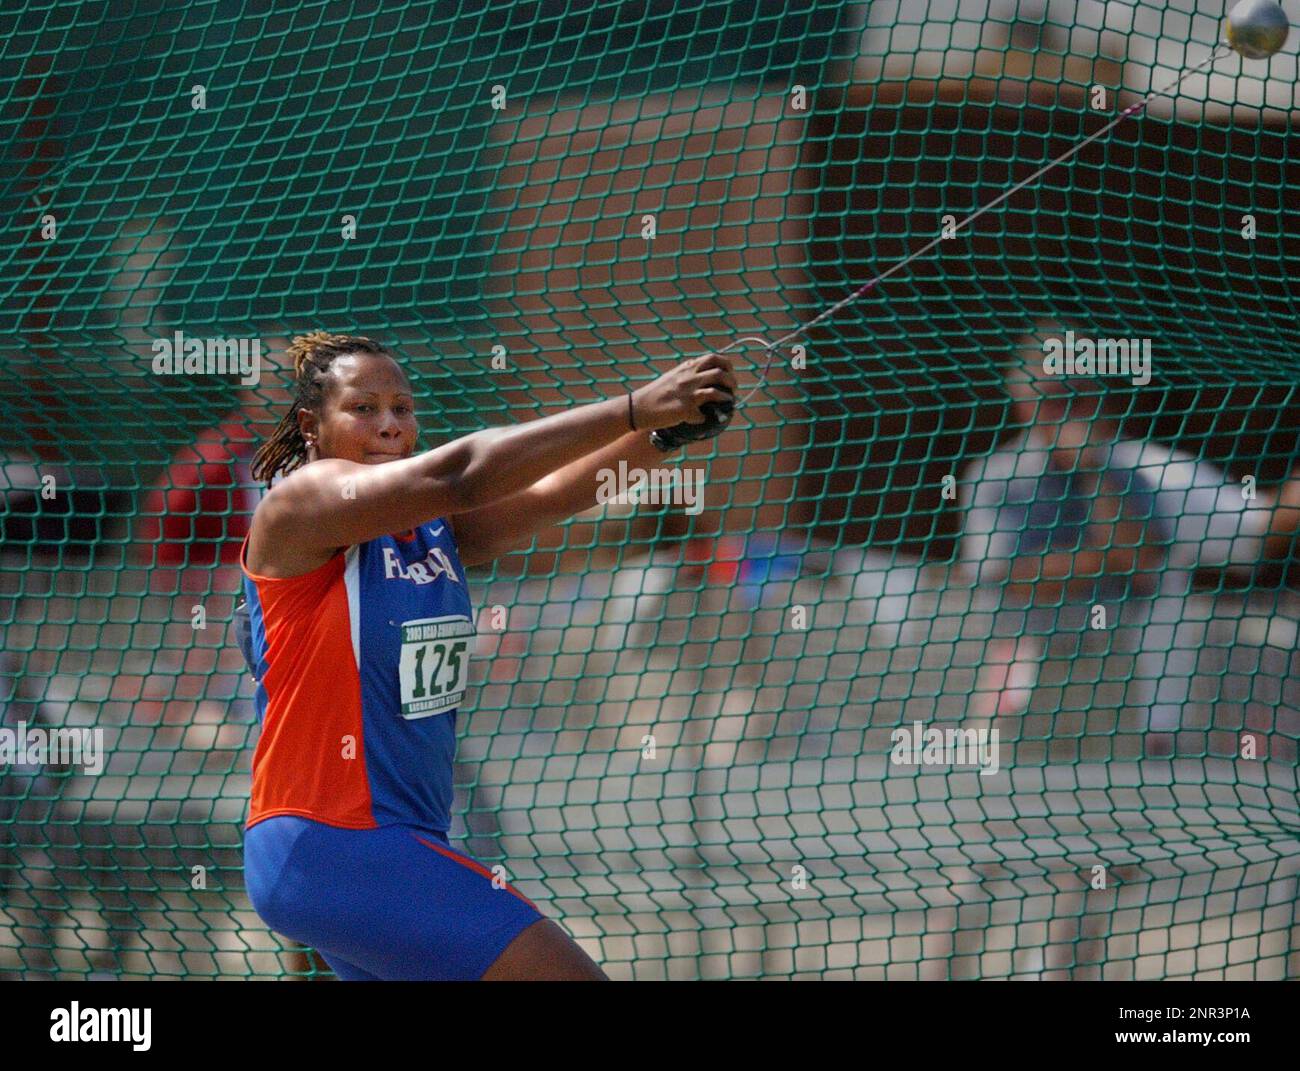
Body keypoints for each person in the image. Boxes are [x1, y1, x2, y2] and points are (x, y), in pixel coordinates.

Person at [235, 330, 736, 980]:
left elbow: (553, 493)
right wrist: (637, 406)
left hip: (389, 845)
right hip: (336, 842)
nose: (389, 423)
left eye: (402, 407)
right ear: (312, 424)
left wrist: (663, 436)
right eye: (364, 408)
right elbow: (461, 472)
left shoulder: (428, 529)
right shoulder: (300, 503)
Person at [959, 329, 1300, 747]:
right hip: (1027, 700)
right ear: (1021, 399)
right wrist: (1113, 557)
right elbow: (1014, 577)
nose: (1065, 412)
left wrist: (1096, 471)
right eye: (1049, 397)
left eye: (1076, 394)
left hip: (1129, 707)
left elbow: (1258, 533)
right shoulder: (994, 478)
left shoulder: (1160, 473)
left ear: (1103, 396)